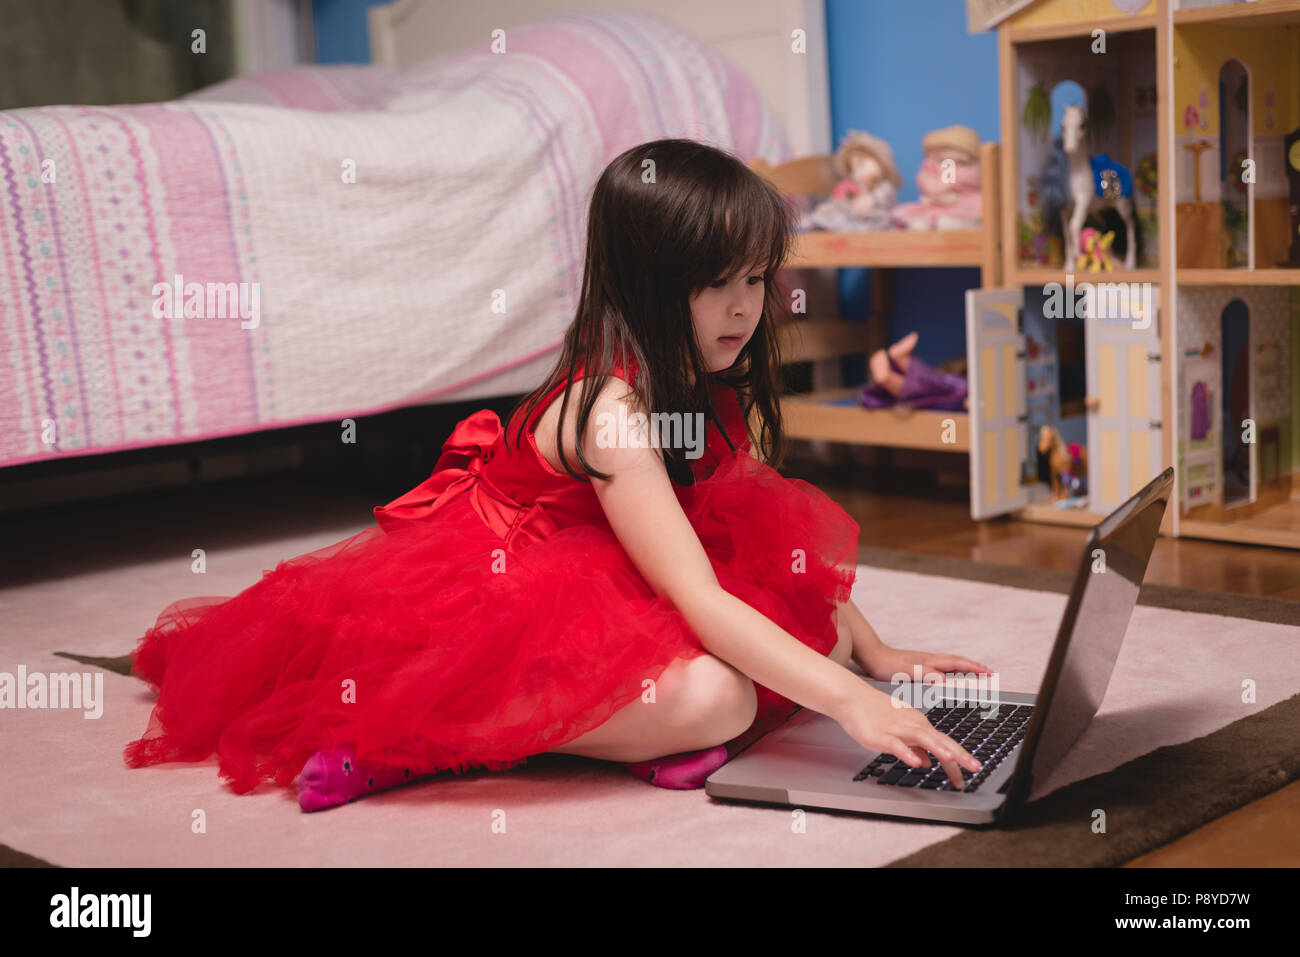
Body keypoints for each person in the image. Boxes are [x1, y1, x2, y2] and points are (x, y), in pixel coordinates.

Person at [123, 138, 987, 812]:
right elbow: (701, 599)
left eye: (756, 280)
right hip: (499, 594)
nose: (743, 308)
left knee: (815, 640)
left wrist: (871, 653)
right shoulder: (609, 411)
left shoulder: (709, 385)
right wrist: (852, 704)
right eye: (716, 284)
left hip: (612, 574)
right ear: (646, 285)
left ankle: (629, 734)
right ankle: (418, 735)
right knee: (721, 699)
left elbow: (761, 528)